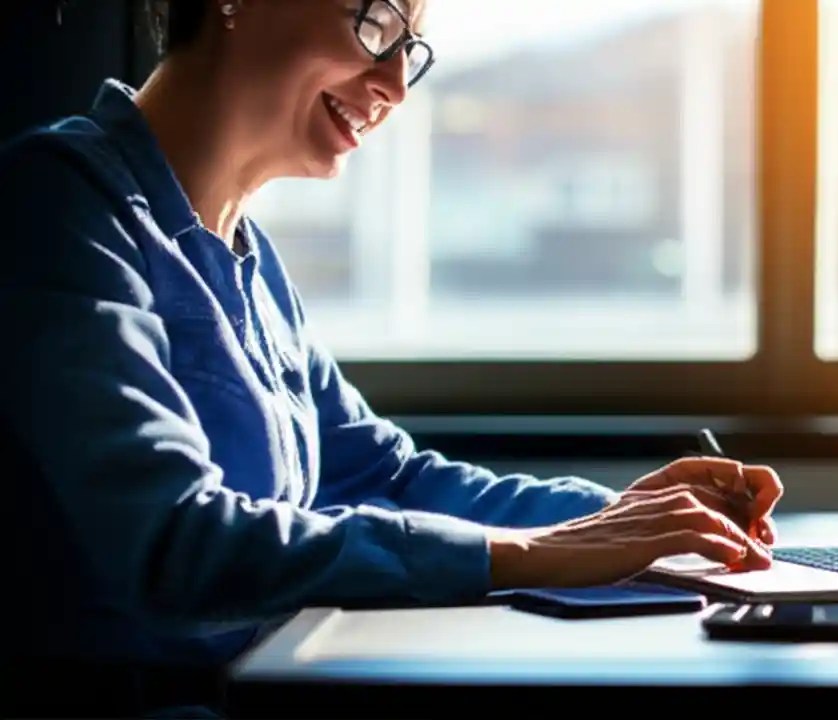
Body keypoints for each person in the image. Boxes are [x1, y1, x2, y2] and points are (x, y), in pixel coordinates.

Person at [0, 0, 780, 715]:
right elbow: (176, 544)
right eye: (375, 24)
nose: (396, 84)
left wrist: (616, 517)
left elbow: (384, 476)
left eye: (412, 48)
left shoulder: (249, 260)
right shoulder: (57, 204)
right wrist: (527, 555)